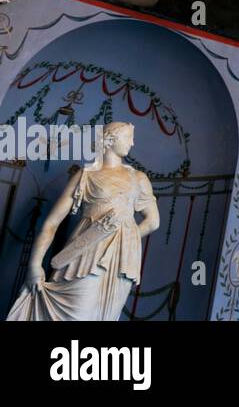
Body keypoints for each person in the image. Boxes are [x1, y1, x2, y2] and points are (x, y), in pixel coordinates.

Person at [6, 122, 159, 322]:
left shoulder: (138, 178)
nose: (132, 143)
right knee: (77, 314)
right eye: (128, 137)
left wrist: (123, 239)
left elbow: (153, 222)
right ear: (110, 140)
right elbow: (51, 224)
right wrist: (35, 265)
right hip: (85, 253)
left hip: (122, 260)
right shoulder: (86, 175)